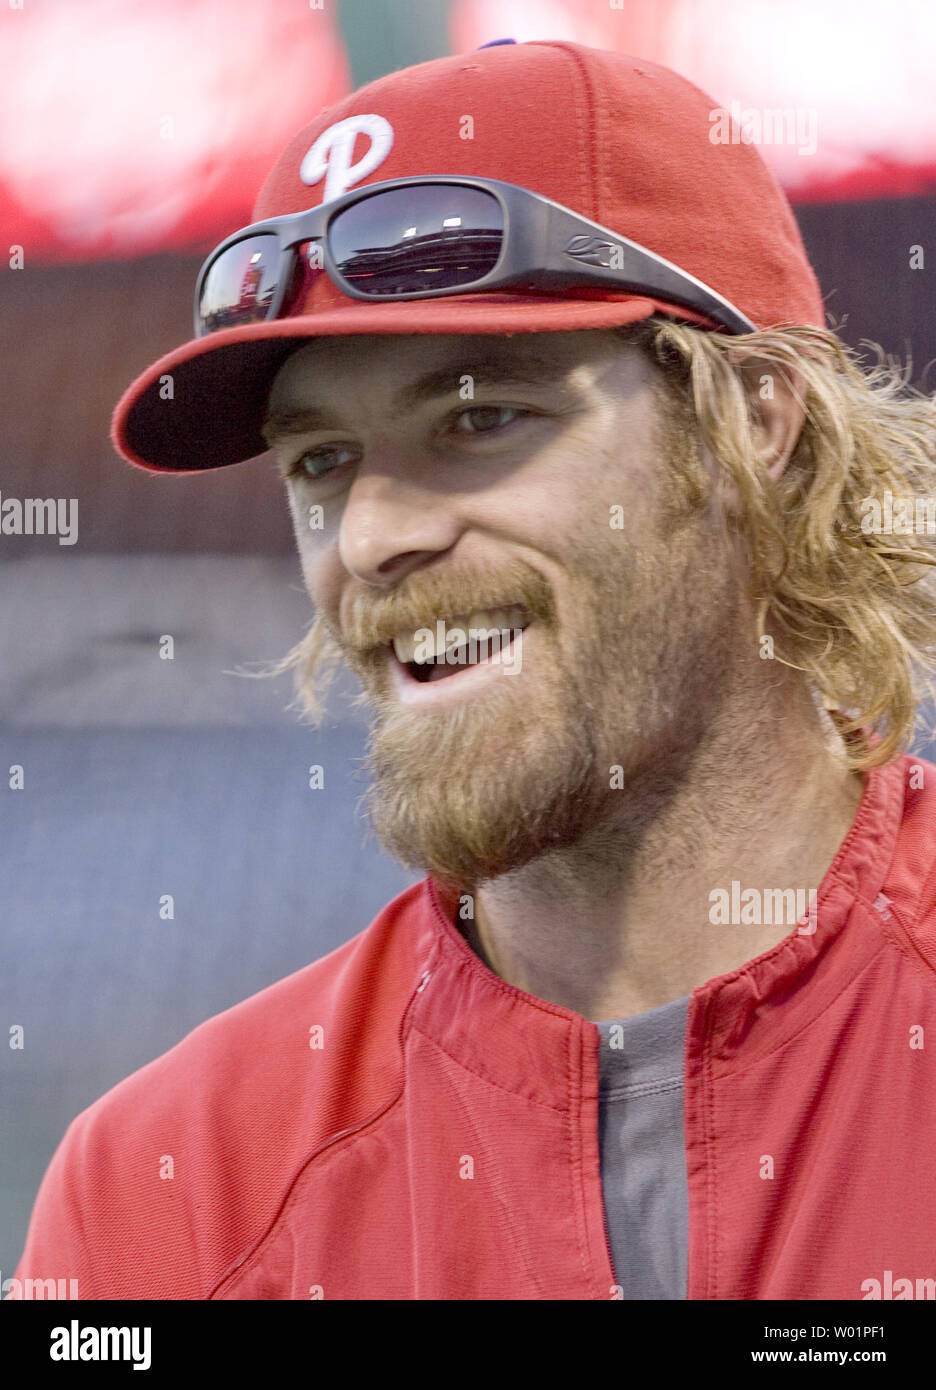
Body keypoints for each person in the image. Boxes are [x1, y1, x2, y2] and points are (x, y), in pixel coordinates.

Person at [12, 39, 936, 1302]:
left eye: (481, 419)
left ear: (754, 423)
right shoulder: (164, 1188)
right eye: (322, 462)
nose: (376, 537)